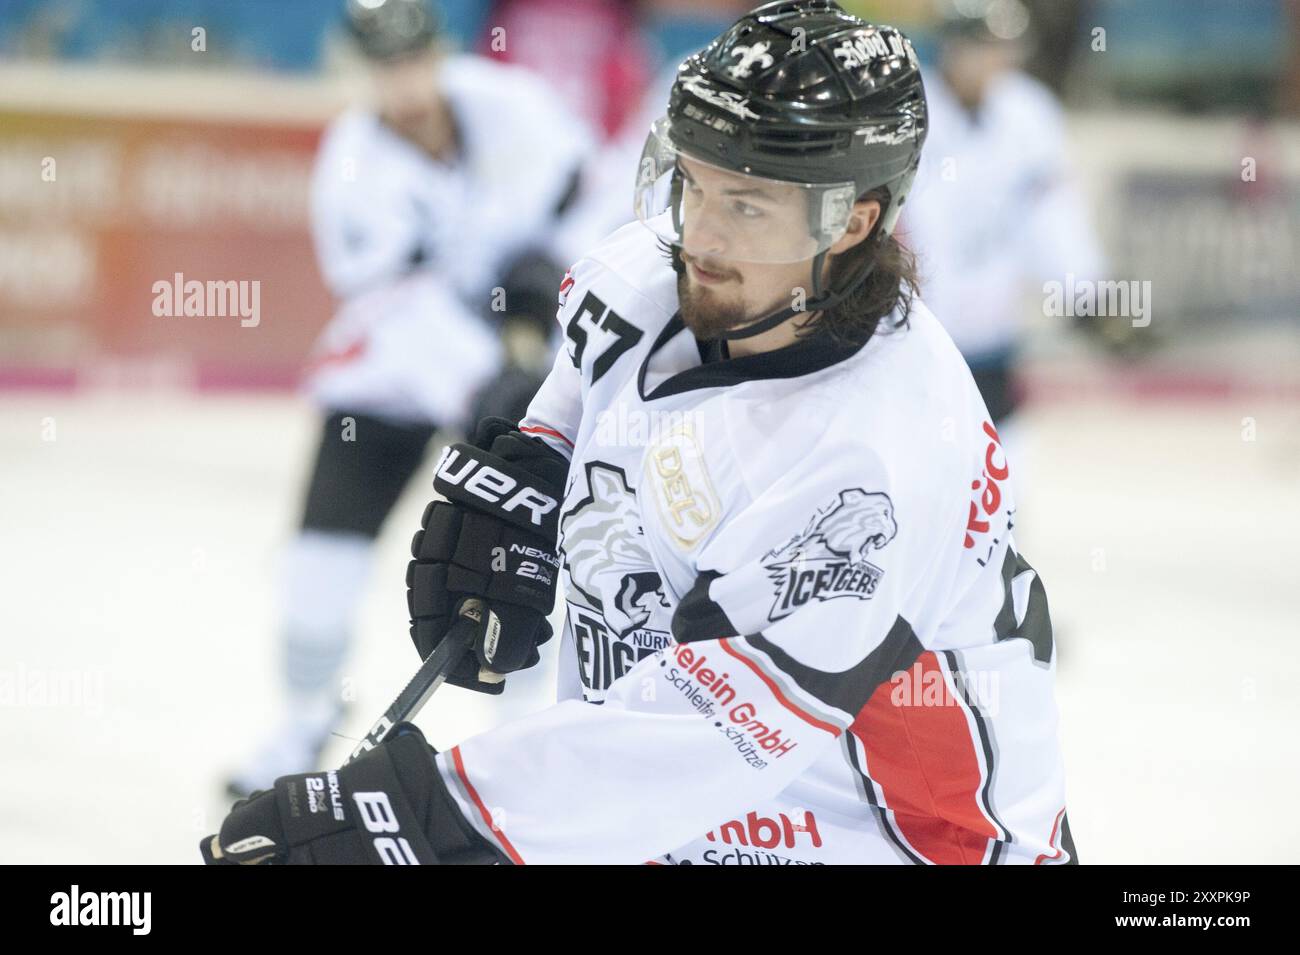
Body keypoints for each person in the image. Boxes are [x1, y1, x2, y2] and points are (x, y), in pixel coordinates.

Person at [206, 0, 1077, 865]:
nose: (699, 233)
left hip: (902, 842)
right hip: (683, 828)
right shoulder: (639, 280)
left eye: (747, 204)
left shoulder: (878, 451)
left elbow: (700, 735)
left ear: (851, 221)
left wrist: (421, 815)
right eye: (692, 181)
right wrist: (523, 487)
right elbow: (566, 413)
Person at [225, 0, 590, 797]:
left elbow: (582, 203)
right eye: (385, 65)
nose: (406, 81)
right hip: (390, 381)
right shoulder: (351, 170)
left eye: (415, 56)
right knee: (319, 562)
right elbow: (394, 310)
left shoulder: (515, 106)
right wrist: (493, 386)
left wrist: (546, 304)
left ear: (438, 48)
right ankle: (302, 719)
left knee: (535, 553)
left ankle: (527, 731)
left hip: (522, 366)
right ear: (360, 70)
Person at [902, 0, 1106, 455]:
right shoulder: (910, 114)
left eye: (1005, 47)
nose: (997, 59)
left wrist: (1086, 292)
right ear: (954, 47)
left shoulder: (1028, 111)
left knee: (1004, 479)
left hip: (996, 340)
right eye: (984, 47)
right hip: (918, 338)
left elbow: (1050, 212)